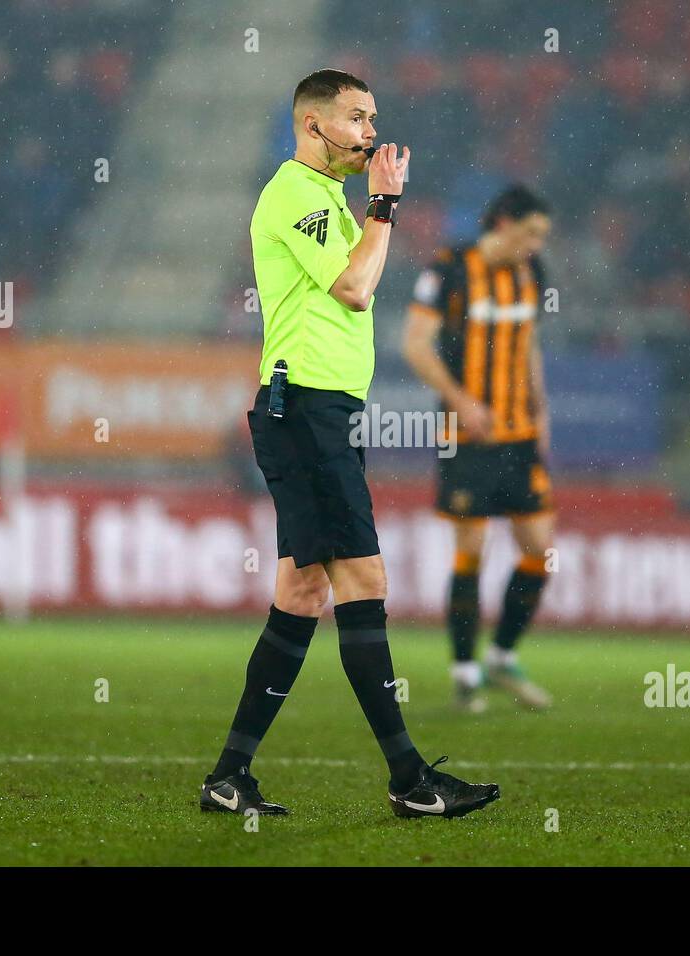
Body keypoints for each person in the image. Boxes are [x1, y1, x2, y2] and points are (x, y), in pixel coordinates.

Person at [200, 69, 500, 819]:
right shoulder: (294, 194)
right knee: (364, 582)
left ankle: (229, 776)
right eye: (358, 119)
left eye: (373, 119)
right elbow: (356, 288)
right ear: (314, 125)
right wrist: (386, 208)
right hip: (301, 412)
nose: (371, 133)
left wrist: (371, 211)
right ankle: (410, 781)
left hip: (317, 414)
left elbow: (353, 280)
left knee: (303, 591)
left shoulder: (327, 201)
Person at [402, 186, 555, 713]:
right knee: (472, 546)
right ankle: (466, 672)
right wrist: (461, 401)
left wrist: (542, 408)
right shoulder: (449, 269)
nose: (536, 245)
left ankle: (503, 655)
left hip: (519, 435)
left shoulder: (532, 274)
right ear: (505, 223)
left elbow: (529, 342)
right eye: (531, 233)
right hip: (465, 435)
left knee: (540, 547)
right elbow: (415, 343)